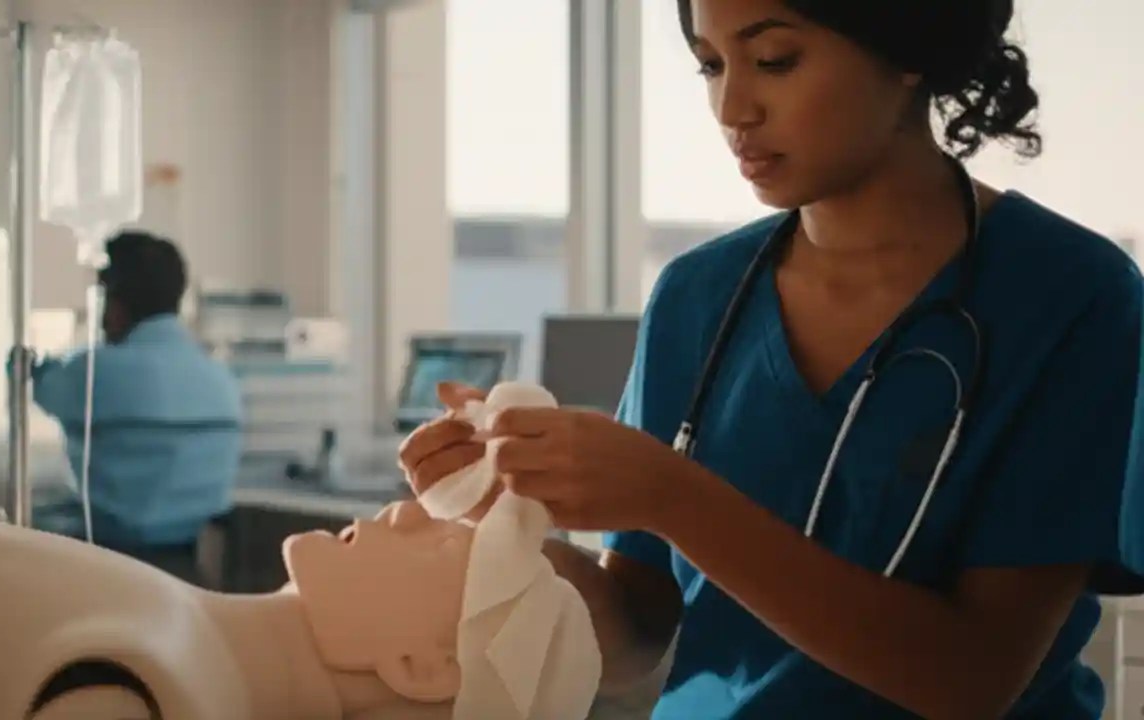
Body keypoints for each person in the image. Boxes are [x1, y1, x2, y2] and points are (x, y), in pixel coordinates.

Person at [401, 1, 1144, 718]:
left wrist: (673, 497)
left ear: (908, 43)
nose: (733, 110)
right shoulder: (699, 296)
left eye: (773, 60)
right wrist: (514, 535)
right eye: (711, 67)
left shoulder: (1071, 295)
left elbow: (971, 682)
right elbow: (636, 634)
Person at [0, 501, 608, 719]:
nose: (408, 509)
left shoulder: (159, 689)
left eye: (448, 547)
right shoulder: (180, 638)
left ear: (419, 668)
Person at [27, 231, 243, 570]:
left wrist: (25, 367)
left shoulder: (98, 372)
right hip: (189, 569)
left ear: (112, 302)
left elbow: (41, 385)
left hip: (110, 568)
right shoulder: (221, 379)